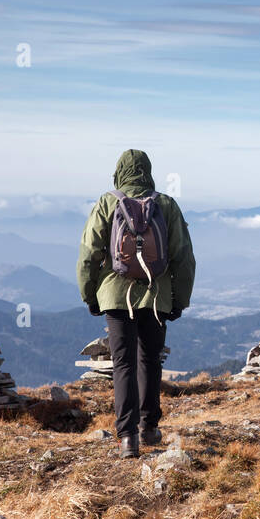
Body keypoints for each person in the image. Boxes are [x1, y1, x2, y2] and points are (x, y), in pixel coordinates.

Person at [77, 149, 196, 458]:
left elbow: (89, 252)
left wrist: (90, 294)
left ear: (119, 172)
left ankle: (127, 437)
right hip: (156, 295)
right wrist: (178, 300)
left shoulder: (107, 202)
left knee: (123, 363)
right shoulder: (166, 205)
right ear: (147, 171)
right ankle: (150, 427)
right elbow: (183, 257)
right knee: (150, 360)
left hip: (115, 295)